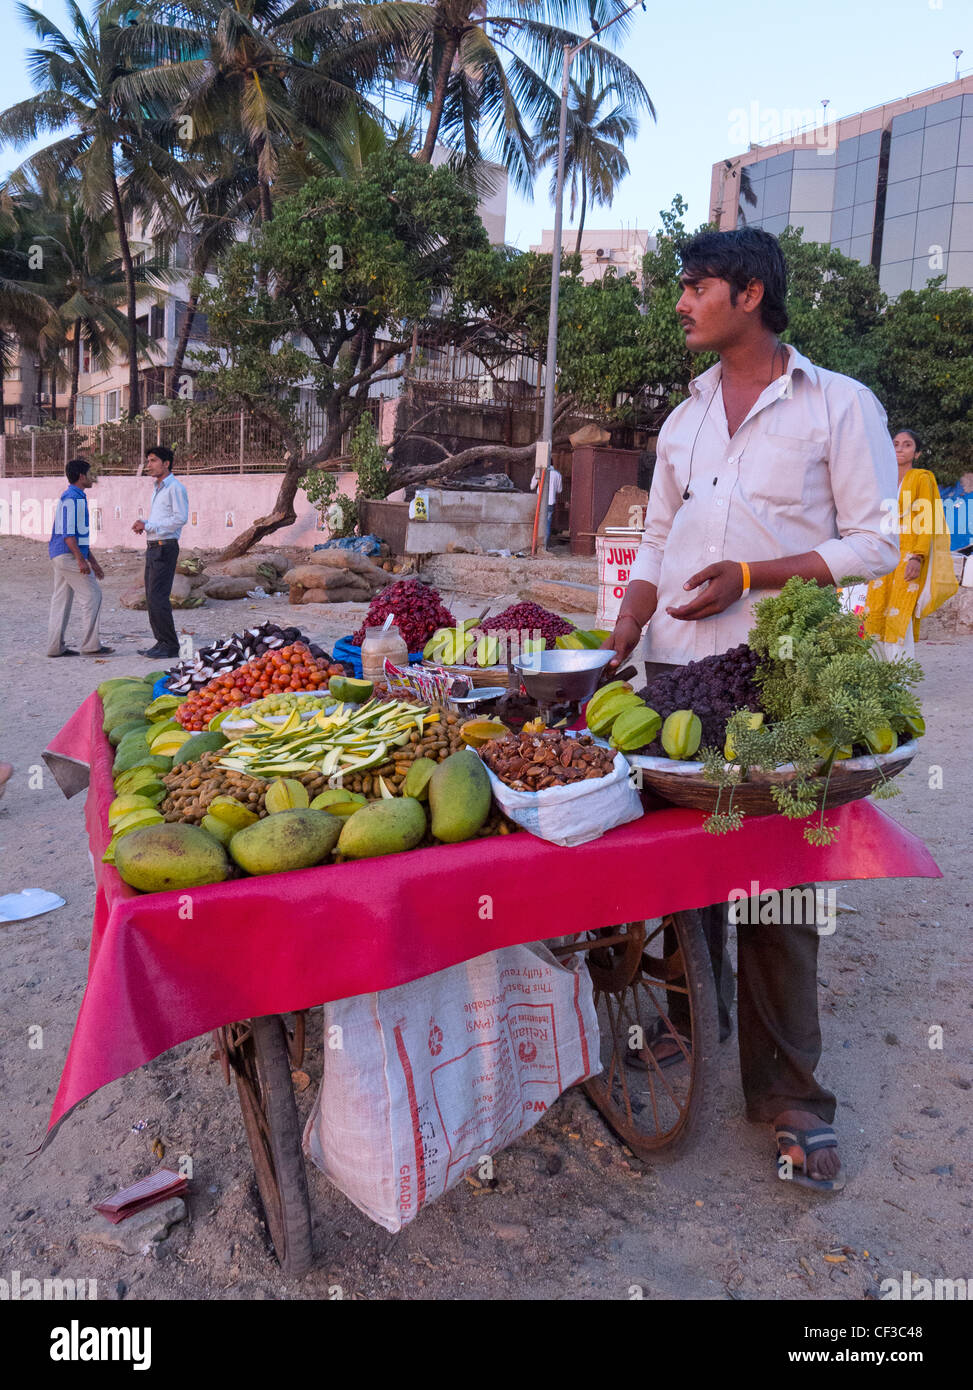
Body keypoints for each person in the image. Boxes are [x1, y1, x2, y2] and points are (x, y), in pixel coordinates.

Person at [606, 227, 900, 1191]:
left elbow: (874, 544)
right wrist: (624, 625)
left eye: (695, 287)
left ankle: (792, 1098)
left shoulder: (837, 406)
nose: (680, 302)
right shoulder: (683, 417)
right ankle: (692, 1021)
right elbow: (653, 536)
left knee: (777, 885)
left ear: (750, 294)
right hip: (677, 671)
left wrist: (751, 575)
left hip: (776, 675)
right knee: (679, 863)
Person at [863, 428, 958, 659]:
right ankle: (875, 679)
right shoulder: (880, 479)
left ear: (917, 453)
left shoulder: (921, 478)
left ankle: (899, 682)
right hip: (880, 552)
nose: (899, 449)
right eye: (895, 444)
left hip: (908, 556)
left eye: (907, 445)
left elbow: (927, 520)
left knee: (900, 611)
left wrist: (918, 557)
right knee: (873, 612)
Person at [47, 458, 112, 658]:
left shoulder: (76, 497)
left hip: (63, 554)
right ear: (82, 476)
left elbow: (79, 536)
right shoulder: (72, 499)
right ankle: (91, 645)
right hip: (67, 554)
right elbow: (68, 535)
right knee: (93, 595)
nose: (94, 478)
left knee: (62, 600)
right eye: (91, 473)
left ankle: (55, 647)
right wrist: (80, 560)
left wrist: (93, 561)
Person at [132, 446, 189, 660]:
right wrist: (145, 524)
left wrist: (150, 526)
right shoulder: (158, 488)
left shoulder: (175, 487)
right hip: (154, 545)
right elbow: (161, 519)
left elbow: (179, 518)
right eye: (148, 461)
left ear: (166, 463)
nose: (149, 465)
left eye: (153, 461)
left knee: (158, 597)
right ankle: (161, 641)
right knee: (151, 596)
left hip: (165, 546)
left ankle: (170, 645)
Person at [530, 462, 563, 539]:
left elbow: (532, 487)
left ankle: (536, 542)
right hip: (550, 502)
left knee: (538, 523)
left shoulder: (538, 472)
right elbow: (559, 490)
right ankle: (544, 545)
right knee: (547, 523)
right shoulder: (557, 474)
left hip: (539, 502)